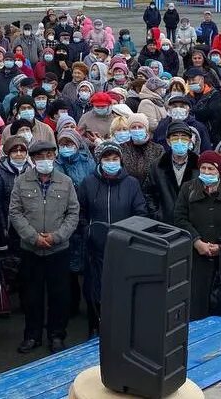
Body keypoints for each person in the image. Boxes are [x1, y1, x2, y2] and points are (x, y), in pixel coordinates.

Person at [8, 138, 79, 355]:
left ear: (54, 156)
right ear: (33, 159)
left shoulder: (65, 182)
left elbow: (73, 213)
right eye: (39, 156)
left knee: (59, 295)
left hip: (59, 250)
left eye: (49, 155)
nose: (45, 160)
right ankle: (32, 336)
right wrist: (33, 237)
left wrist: (57, 236)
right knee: (32, 296)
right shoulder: (21, 182)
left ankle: (57, 335)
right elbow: (15, 212)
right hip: (31, 250)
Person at [77, 141, 148, 335]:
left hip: (123, 247)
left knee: (121, 290)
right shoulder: (88, 183)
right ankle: (95, 327)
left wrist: (129, 234)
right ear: (99, 161)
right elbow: (80, 212)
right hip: (96, 248)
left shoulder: (131, 183)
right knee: (95, 290)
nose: (111, 162)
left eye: (115, 158)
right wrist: (88, 231)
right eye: (107, 159)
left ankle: (121, 329)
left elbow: (141, 212)